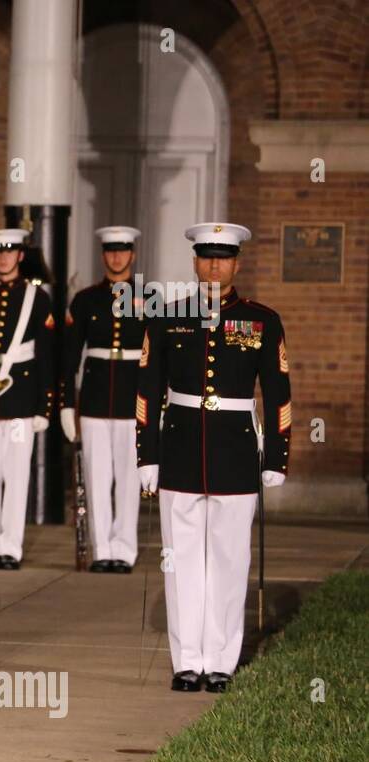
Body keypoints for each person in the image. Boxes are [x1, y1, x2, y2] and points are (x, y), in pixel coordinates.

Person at [136, 222, 292, 693]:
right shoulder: (166, 316)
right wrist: (147, 454)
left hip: (236, 452)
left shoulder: (262, 320)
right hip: (180, 450)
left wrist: (277, 458)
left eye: (223, 257)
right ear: (195, 261)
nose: (214, 265)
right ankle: (187, 661)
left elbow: (279, 394)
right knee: (180, 561)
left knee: (228, 559)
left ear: (237, 262)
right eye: (206, 256)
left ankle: (221, 660)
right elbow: (146, 388)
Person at [61, 226, 145, 573]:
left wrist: (158, 402)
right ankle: (101, 549)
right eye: (110, 251)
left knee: (129, 478)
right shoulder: (85, 299)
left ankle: (124, 550)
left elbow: (159, 356)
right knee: (97, 476)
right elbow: (69, 356)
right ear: (103, 256)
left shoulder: (149, 298)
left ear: (132, 255)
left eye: (122, 250)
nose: (116, 257)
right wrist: (67, 403)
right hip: (95, 398)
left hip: (132, 399)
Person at [0, 228, 55, 570]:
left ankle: (11, 548)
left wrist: (44, 405)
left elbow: (47, 355)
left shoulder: (38, 297)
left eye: (10, 251)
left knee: (17, 476)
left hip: (22, 402)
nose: (3, 257)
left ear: (21, 255)